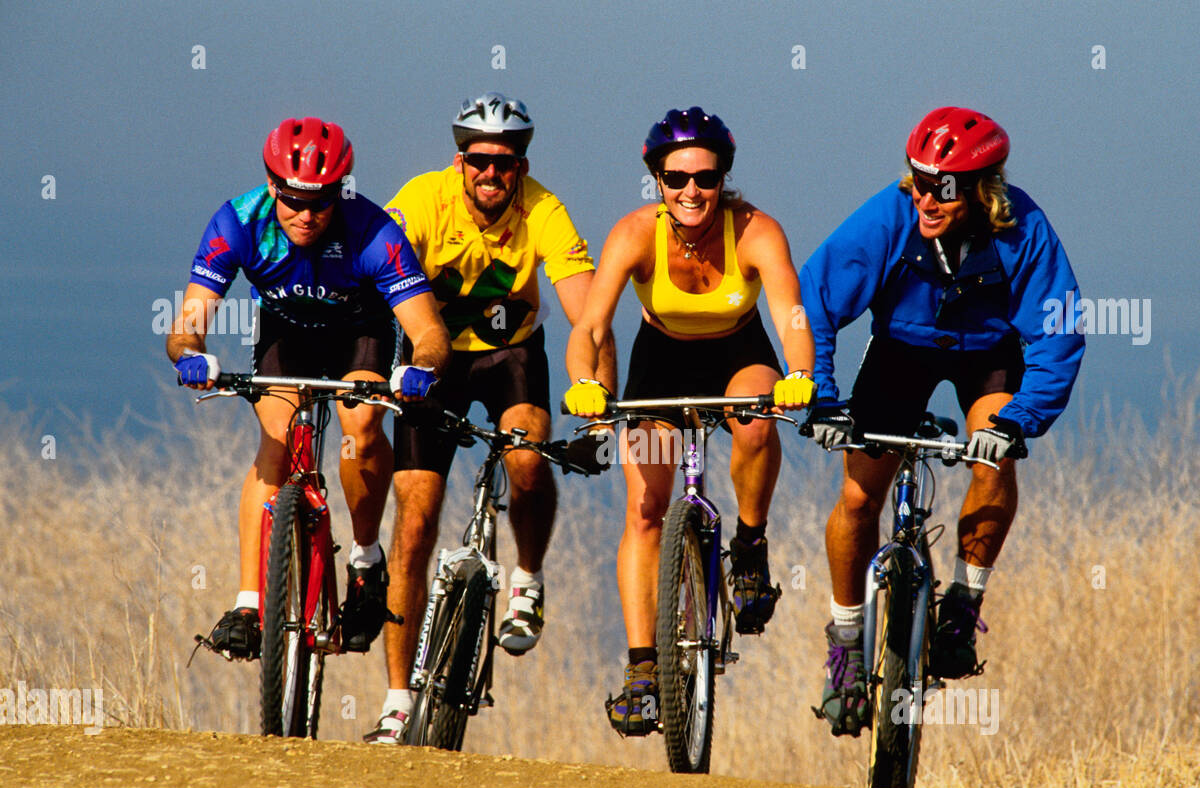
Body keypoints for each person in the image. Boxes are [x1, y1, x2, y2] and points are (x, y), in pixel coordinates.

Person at [800, 106, 1085, 736]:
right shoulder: (892, 214)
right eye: (919, 179)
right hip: (902, 346)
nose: (926, 197)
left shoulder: (1022, 225)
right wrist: (821, 397)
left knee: (993, 454)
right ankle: (846, 642)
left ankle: (963, 602)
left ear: (983, 189)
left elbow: (1058, 326)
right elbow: (814, 295)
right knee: (856, 495)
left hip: (989, 352)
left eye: (943, 187)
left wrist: (1022, 418)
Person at [565, 106, 816, 737]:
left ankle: (750, 548)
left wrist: (799, 374)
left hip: (738, 352)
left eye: (705, 177)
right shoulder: (632, 234)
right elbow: (591, 326)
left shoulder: (756, 231)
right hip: (661, 360)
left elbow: (789, 316)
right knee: (646, 509)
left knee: (756, 424)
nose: (690, 191)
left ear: (723, 177)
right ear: (656, 178)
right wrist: (586, 384)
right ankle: (643, 669)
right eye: (676, 178)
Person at [169, 117, 452, 660]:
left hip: (358, 332)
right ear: (273, 185)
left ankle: (366, 560)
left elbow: (430, 332)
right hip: (287, 333)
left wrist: (422, 369)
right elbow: (187, 324)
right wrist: (191, 356)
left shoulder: (374, 232)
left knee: (362, 428)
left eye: (320, 202)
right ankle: (250, 604)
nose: (306, 214)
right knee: (275, 442)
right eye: (294, 199)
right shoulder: (237, 222)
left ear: (338, 192)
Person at [364, 92, 596, 744]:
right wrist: (369, 361)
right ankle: (397, 699)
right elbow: (372, 265)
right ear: (458, 159)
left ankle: (527, 576)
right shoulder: (424, 198)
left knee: (526, 459)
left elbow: (585, 307)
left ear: (522, 163)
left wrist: (593, 382)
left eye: (507, 161)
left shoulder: (543, 208)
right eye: (479, 160)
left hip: (512, 355)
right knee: (413, 526)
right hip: (432, 361)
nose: (492, 174)